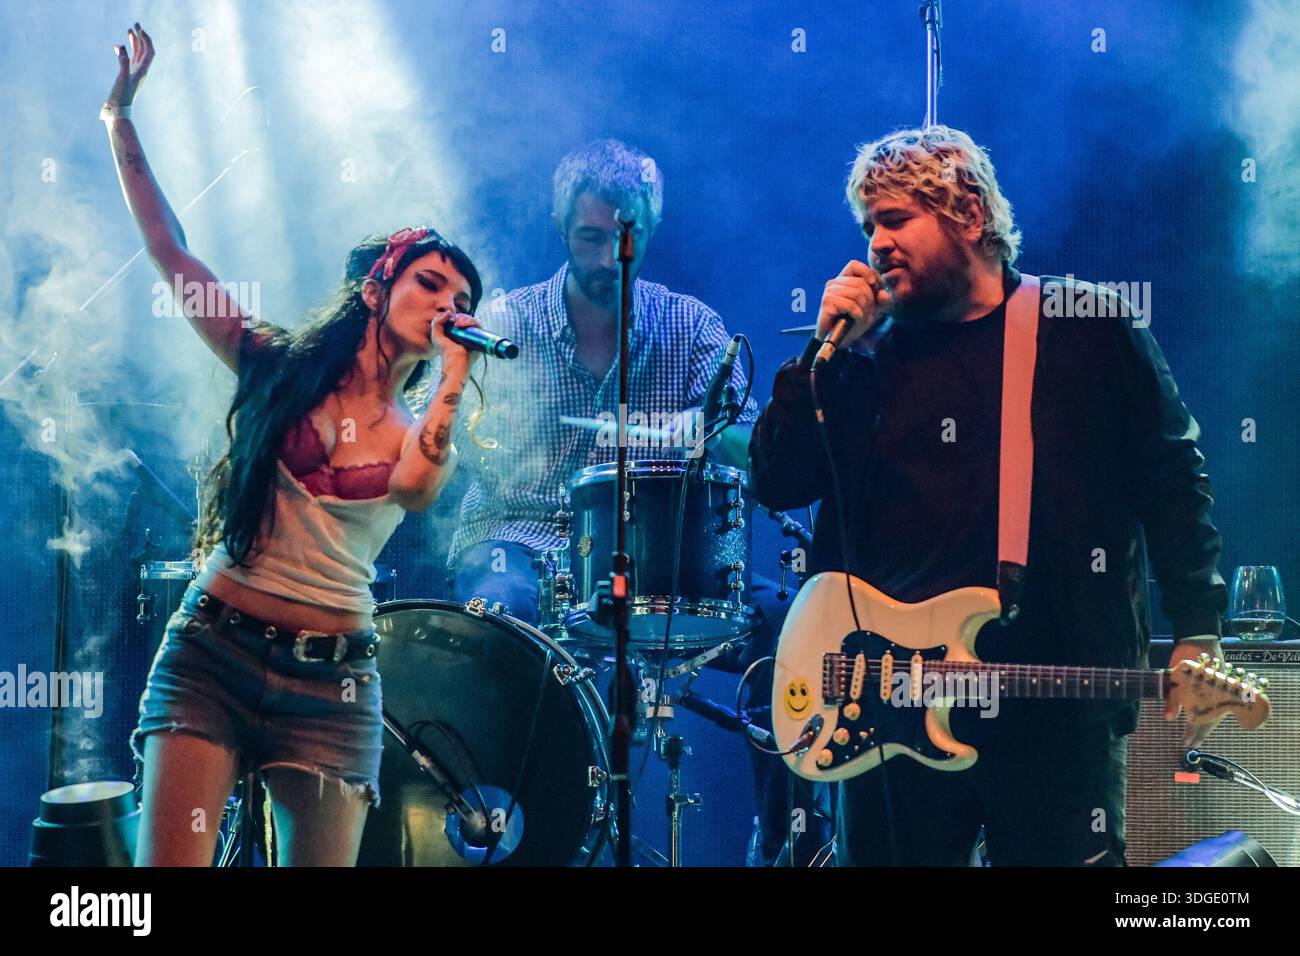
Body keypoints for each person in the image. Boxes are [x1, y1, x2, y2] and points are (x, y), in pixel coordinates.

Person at [749, 125, 1228, 866]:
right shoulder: (863, 355)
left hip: (1053, 707)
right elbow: (778, 480)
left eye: (896, 219)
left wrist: (1198, 624)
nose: (876, 243)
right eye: (868, 224)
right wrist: (823, 352)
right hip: (891, 710)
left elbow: (1172, 481)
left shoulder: (1086, 326)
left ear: (968, 214)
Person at [104, 23, 486, 865]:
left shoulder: (423, 432)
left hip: (332, 682)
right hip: (214, 647)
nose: (446, 303)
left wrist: (456, 372)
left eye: (461, 298)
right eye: (430, 283)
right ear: (376, 284)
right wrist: (120, 119)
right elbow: (173, 254)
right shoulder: (276, 364)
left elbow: (419, 489)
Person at [448, 139, 829, 864]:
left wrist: (707, 436)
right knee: (504, 617)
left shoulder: (689, 328)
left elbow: (764, 457)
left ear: (648, 232)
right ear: (563, 231)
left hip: (659, 560)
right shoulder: (507, 323)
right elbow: (430, 427)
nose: (607, 258)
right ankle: (516, 842)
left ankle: (785, 848)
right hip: (520, 535)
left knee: (798, 638)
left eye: (625, 238)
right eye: (590, 238)